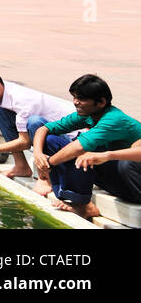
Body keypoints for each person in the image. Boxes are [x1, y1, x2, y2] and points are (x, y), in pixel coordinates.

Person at [33, 74, 141, 218]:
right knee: (50, 139)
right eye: (74, 97)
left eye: (81, 99)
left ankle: (83, 205)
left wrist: (48, 164)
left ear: (101, 102)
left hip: (132, 181)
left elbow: (79, 147)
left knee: (86, 149)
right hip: (114, 176)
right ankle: (71, 198)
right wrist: (38, 155)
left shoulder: (114, 119)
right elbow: (43, 129)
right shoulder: (88, 115)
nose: (76, 102)